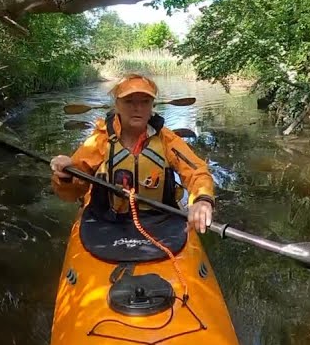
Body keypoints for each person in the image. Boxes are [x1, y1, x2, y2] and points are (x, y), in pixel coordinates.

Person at [49, 74, 215, 233]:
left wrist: (202, 199)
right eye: (129, 101)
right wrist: (66, 176)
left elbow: (196, 172)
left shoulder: (167, 139)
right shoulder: (100, 140)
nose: (138, 108)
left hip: (159, 219)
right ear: (117, 105)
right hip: (105, 219)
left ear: (152, 106)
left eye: (145, 101)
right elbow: (72, 192)